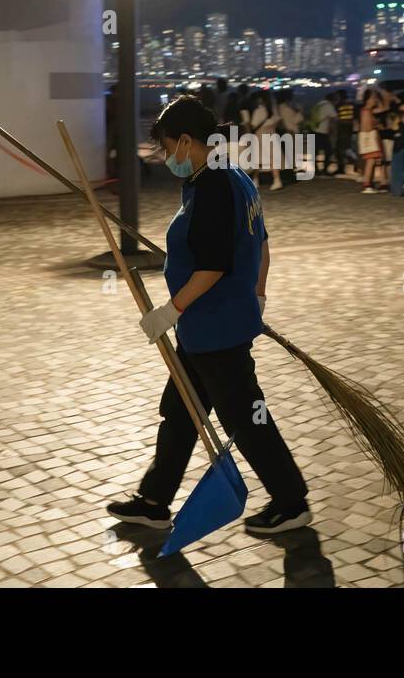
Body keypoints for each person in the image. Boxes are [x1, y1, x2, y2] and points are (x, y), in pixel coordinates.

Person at [107, 96, 310, 535]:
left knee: (247, 418)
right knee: (180, 412)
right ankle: (155, 501)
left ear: (186, 140)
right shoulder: (230, 176)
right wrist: (258, 293)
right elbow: (261, 244)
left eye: (166, 148)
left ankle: (291, 502)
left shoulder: (215, 184)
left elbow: (213, 264)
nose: (165, 158)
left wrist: (170, 310)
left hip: (215, 328)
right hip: (207, 328)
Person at [355, 89, 384, 194]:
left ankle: (369, 184)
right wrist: (375, 126)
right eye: (373, 98)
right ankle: (367, 184)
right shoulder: (366, 111)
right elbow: (367, 127)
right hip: (369, 139)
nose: (375, 100)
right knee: (370, 161)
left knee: (371, 161)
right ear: (368, 99)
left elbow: (382, 108)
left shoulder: (368, 110)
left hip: (368, 138)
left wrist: (379, 97)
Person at [310, 92, 338, 175]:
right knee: (328, 151)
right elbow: (335, 118)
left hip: (314, 129)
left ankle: (315, 169)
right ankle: (325, 169)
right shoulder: (329, 106)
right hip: (322, 132)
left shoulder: (319, 104)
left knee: (315, 151)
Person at [334, 89, 355, 176]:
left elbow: (336, 118)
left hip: (342, 128)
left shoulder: (339, 105)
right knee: (347, 148)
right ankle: (356, 163)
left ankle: (341, 167)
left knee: (340, 149)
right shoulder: (351, 104)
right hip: (349, 128)